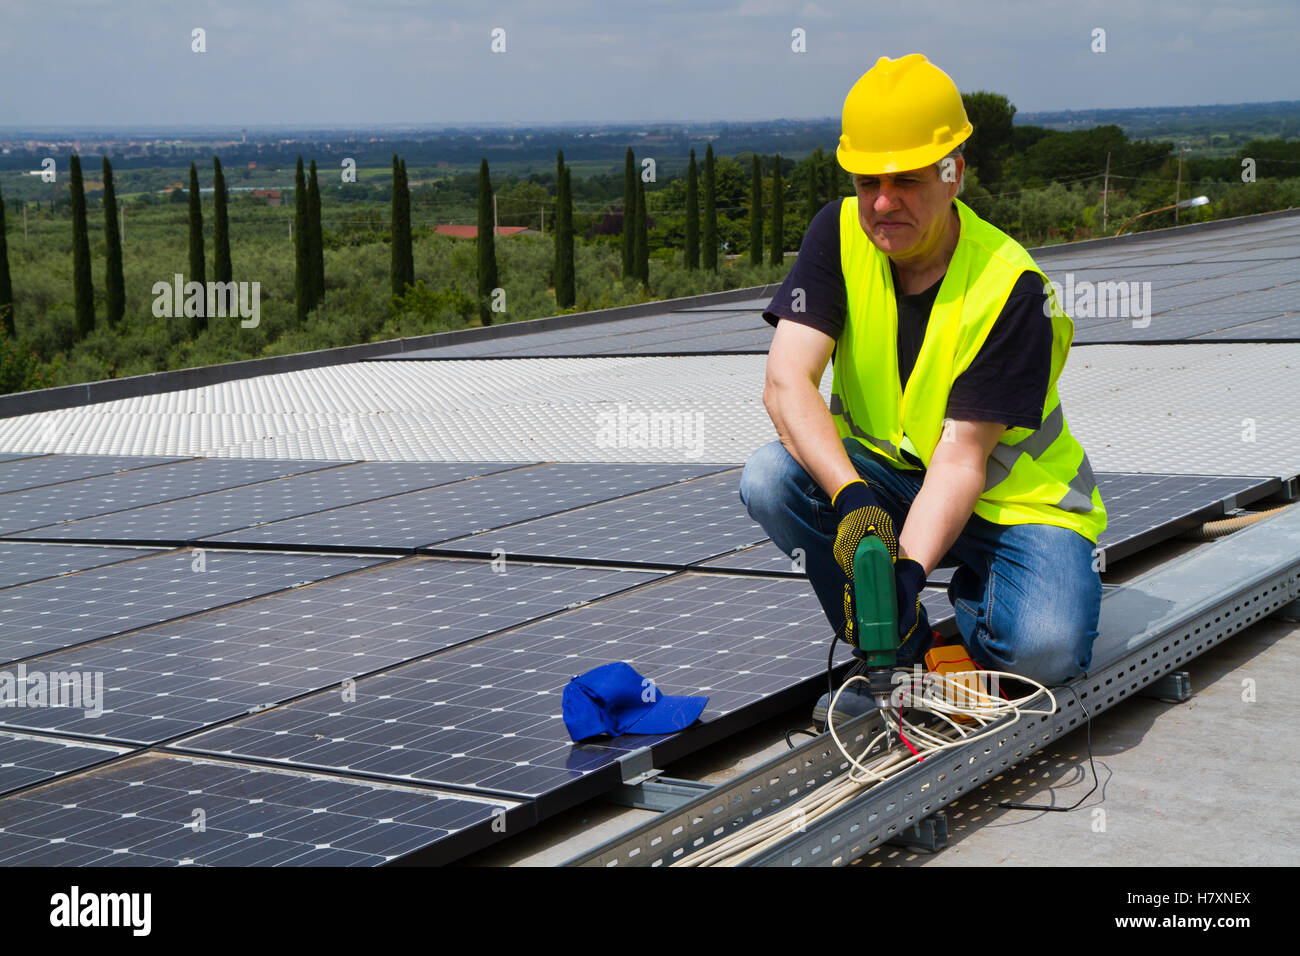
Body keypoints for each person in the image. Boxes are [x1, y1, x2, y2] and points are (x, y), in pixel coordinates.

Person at [738, 54, 1107, 723]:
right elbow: (786, 382)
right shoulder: (838, 232)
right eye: (868, 180)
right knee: (770, 476)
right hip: (893, 483)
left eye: (906, 180)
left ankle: (975, 596)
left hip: (1013, 506)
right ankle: (894, 656)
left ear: (952, 174)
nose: (882, 202)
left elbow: (963, 457)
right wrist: (852, 501)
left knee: (1041, 654)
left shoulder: (1012, 289)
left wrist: (906, 570)